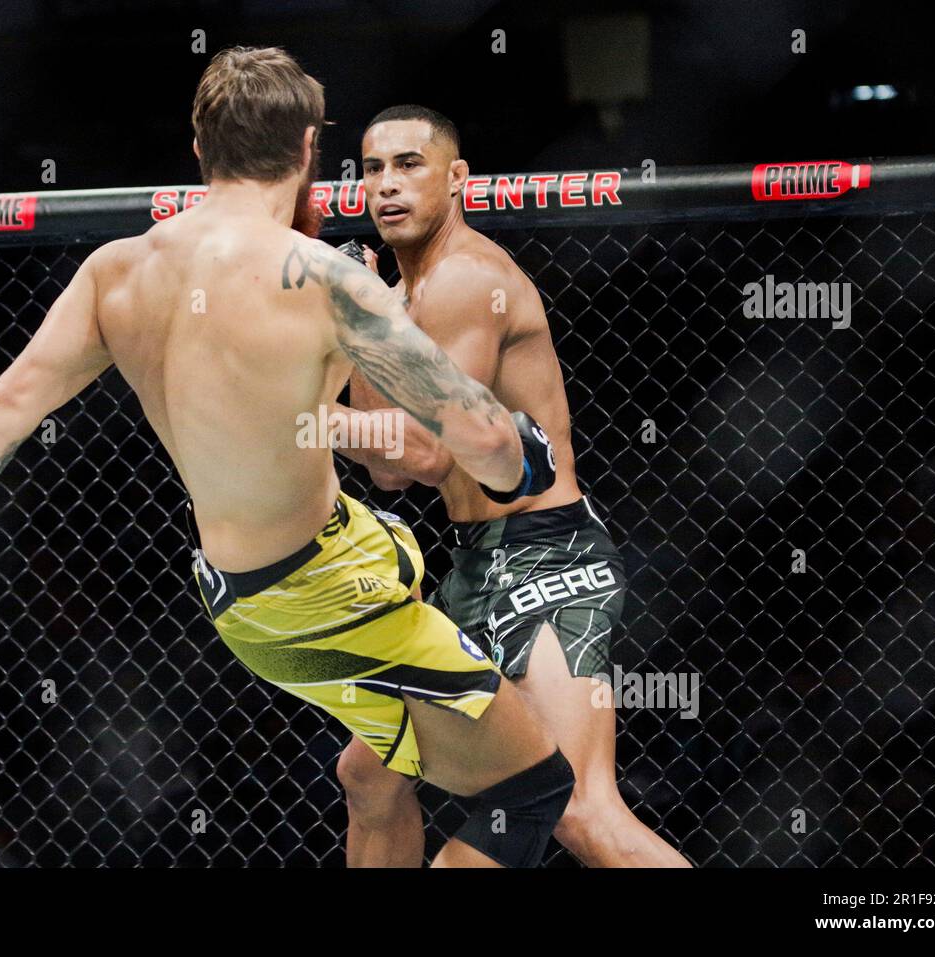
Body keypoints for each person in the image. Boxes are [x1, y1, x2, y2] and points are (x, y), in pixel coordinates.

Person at [0, 49, 572, 867]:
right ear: (305, 152)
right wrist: (526, 458)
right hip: (320, 596)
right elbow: (483, 446)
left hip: (240, 591)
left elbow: (4, 408)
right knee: (531, 786)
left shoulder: (117, 271)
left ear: (199, 150)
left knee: (375, 772)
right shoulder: (325, 277)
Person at [332, 105, 690, 867]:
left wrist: (292, 423)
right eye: (372, 168)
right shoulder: (402, 293)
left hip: (548, 561)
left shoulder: (465, 280)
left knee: (583, 809)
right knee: (370, 770)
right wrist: (365, 324)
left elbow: (424, 453)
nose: (387, 185)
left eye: (409, 164)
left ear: (456, 178)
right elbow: (392, 468)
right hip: (474, 564)